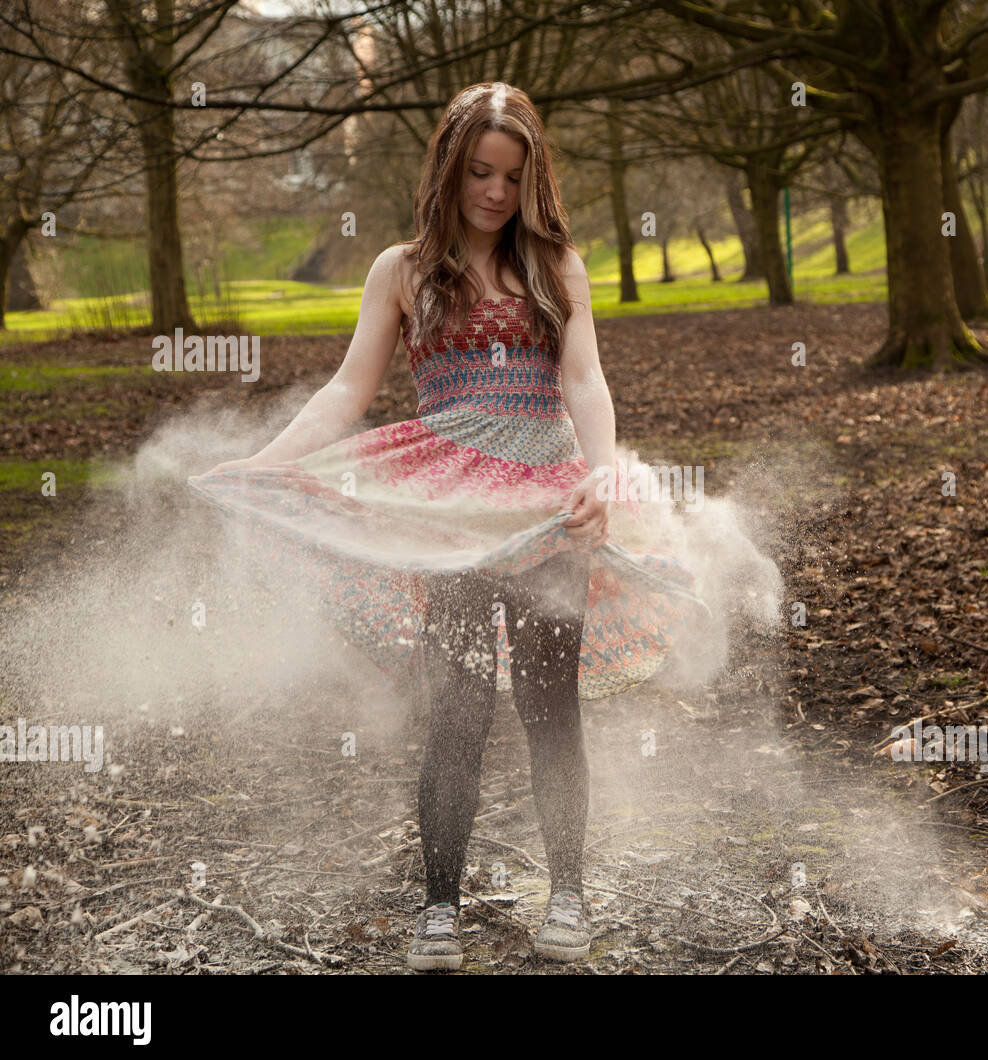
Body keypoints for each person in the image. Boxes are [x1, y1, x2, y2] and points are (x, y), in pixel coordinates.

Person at [189, 81, 709, 971]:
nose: (496, 193)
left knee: (552, 709)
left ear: (532, 178)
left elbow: (585, 381)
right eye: (480, 172)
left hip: (547, 512)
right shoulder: (399, 269)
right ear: (449, 167)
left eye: (512, 176)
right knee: (457, 712)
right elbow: (348, 391)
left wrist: (601, 472)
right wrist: (270, 459)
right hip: (445, 519)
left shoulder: (558, 267)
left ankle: (571, 894)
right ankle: (439, 909)